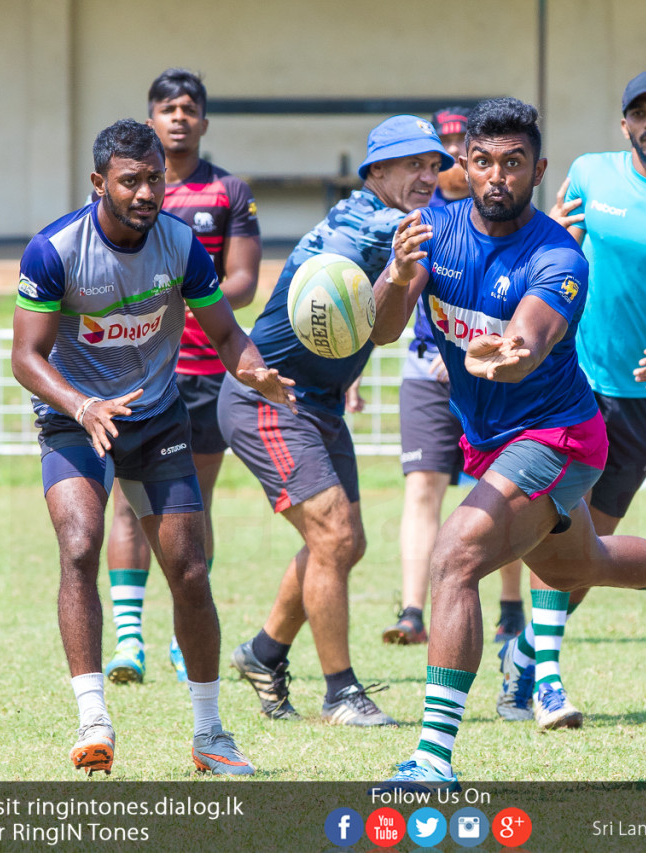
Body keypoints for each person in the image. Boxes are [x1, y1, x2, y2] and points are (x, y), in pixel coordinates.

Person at [370, 97, 646, 790]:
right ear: (464, 164)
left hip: (561, 436)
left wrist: (507, 351)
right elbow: (381, 331)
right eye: (483, 161)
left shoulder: (558, 252)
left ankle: (432, 759)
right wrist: (397, 278)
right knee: (585, 561)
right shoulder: (430, 231)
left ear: (538, 169)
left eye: (514, 164)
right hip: (492, 440)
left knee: (456, 555)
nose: (497, 177)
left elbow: (531, 338)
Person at [11, 119, 294, 776]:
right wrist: (81, 405)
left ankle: (209, 734)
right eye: (130, 180)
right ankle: (94, 718)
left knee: (190, 571)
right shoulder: (53, 250)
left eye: (154, 179)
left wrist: (253, 368)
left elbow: (225, 333)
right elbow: (26, 357)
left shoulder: (181, 245)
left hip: (157, 416)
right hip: (76, 416)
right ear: (98, 182)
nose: (145, 192)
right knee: (80, 543)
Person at [496, 70, 646, 728]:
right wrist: (548, 233)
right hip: (569, 384)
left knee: (581, 558)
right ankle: (546, 682)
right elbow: (547, 254)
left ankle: (523, 655)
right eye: (640, 112)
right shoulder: (589, 175)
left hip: (638, 404)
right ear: (624, 125)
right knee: (557, 535)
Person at [218, 115, 454, 726]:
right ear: (376, 173)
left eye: (434, 166)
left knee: (344, 546)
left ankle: (264, 652)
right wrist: (397, 274)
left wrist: (403, 275)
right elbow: (349, 316)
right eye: (413, 166)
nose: (429, 176)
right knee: (335, 539)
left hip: (317, 401)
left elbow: (385, 331)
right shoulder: (355, 231)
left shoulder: (407, 233)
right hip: (268, 395)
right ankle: (341, 692)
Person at [103, 68, 262, 685]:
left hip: (203, 374)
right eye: (166, 107)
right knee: (126, 503)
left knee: (189, 509)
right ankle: (128, 640)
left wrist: (190, 293)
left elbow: (243, 283)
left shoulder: (228, 192)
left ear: (203, 120)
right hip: (132, 371)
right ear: (150, 119)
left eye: (189, 107)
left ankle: (180, 630)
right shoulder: (126, 187)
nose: (178, 116)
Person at [385, 106, 527, 647]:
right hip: (425, 368)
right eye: (445, 152)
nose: (447, 162)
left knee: (504, 494)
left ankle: (510, 606)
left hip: (492, 374)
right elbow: (390, 300)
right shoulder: (427, 220)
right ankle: (413, 611)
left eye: (451, 149)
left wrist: (470, 350)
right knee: (422, 489)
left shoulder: (502, 212)